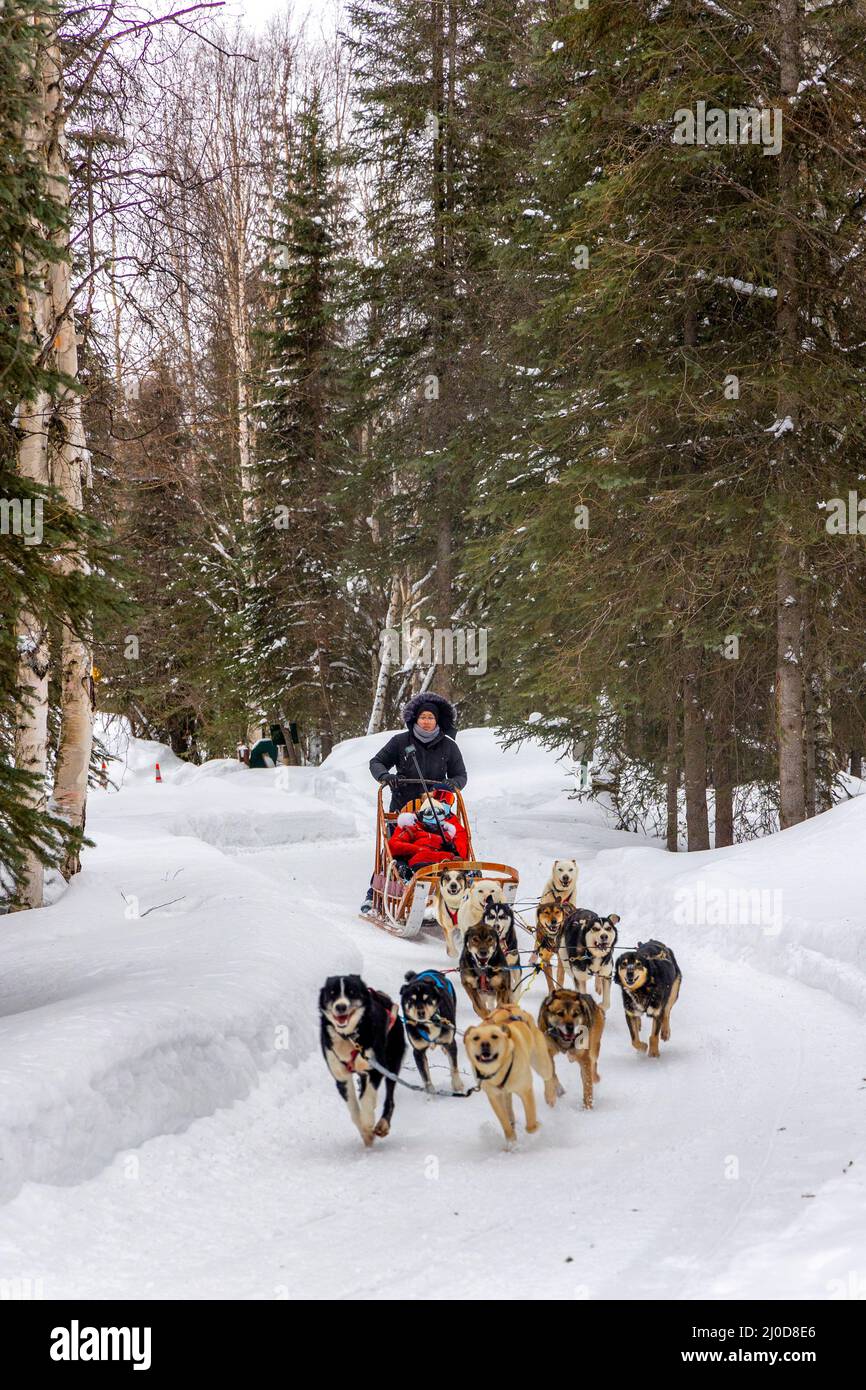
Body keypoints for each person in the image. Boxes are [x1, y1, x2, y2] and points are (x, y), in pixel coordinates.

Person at [360, 693, 467, 913]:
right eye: (423, 717)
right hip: (404, 807)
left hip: (437, 809)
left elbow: (461, 776)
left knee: (439, 846)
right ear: (415, 719)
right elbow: (377, 762)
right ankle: (375, 892)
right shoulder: (401, 742)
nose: (427, 721)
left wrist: (450, 784)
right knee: (396, 850)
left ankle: (445, 890)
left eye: (431, 717)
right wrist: (386, 777)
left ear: (437, 721)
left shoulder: (449, 746)